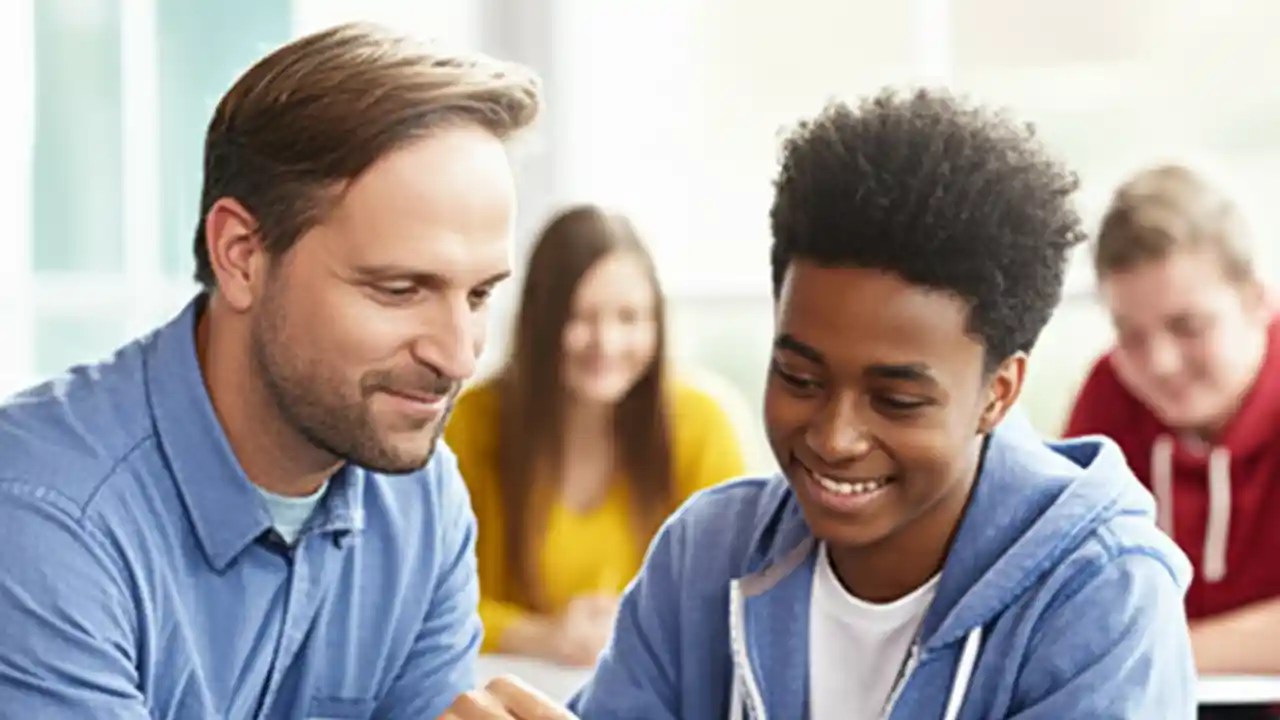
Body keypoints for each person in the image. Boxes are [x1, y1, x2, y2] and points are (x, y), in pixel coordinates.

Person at [565, 89, 1198, 719]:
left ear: (997, 393)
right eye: (799, 378)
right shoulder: (706, 556)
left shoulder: (1105, 595)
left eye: (896, 400)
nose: (835, 438)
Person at [0, 22, 542, 718]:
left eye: (479, 295)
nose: (459, 355)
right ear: (241, 254)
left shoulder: (421, 506)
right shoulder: (43, 521)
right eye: (399, 289)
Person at [443, 205, 747, 667]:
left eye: (629, 318)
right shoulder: (474, 421)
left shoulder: (700, 423)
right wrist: (544, 636)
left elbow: (735, 594)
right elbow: (429, 604)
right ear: (540, 320)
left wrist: (636, 627)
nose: (606, 342)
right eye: (581, 317)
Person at [1064, 165, 1280, 715]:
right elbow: (1063, 589)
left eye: (1188, 327)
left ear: (1258, 302)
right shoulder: (1108, 394)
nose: (1159, 363)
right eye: (1130, 334)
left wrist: (1147, 646)